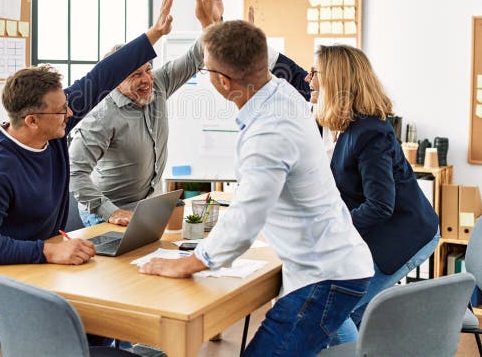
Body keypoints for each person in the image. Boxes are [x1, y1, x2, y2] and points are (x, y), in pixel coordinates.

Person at [139, 21, 374, 357]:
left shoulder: (268, 134)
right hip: (332, 264)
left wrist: (189, 263)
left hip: (324, 276)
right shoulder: (283, 93)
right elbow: (245, 54)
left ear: (222, 81)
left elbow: (246, 218)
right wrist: (213, 26)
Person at [0, 0, 176, 266]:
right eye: (61, 111)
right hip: (11, 284)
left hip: (50, 267)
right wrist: (47, 251)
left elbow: (102, 77)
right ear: (31, 121)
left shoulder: (53, 126)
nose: (70, 112)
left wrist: (155, 33)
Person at [68, 0, 223, 227]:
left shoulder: (159, 84)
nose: (146, 79)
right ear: (113, 79)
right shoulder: (100, 115)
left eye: (148, 70)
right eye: (136, 74)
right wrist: (109, 211)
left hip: (145, 208)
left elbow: (196, 56)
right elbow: (76, 172)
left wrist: (212, 24)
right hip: (105, 213)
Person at [308, 45, 440, 344]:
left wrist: (331, 230)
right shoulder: (338, 126)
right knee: (345, 315)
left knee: (330, 313)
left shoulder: (370, 132)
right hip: (377, 232)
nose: (308, 79)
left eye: (314, 73)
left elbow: (380, 206)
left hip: (404, 236)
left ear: (335, 80)